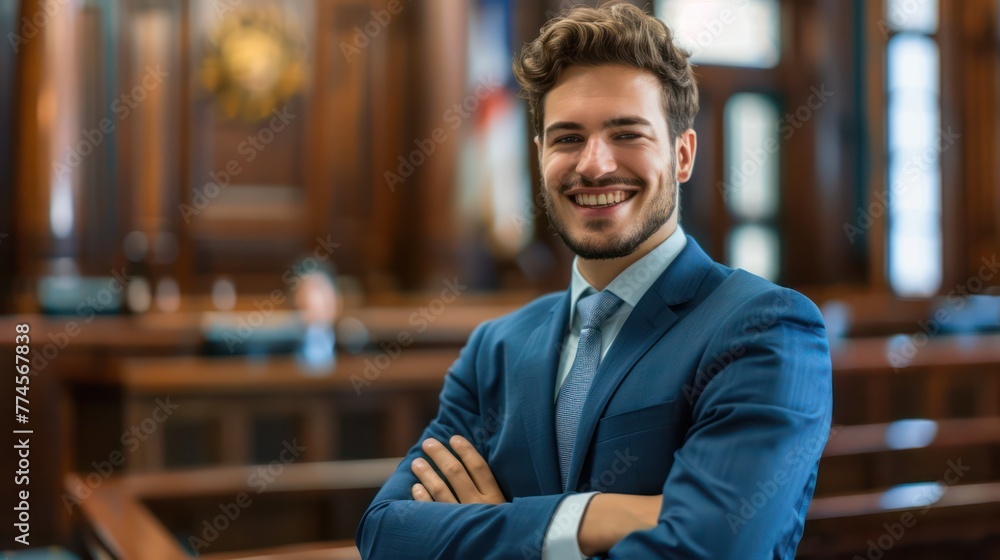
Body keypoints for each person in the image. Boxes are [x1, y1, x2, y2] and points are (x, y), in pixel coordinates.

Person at [356, 3, 832, 558]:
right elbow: (386, 533)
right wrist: (595, 515)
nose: (594, 165)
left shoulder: (764, 328)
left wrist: (505, 529)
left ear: (682, 155)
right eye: (567, 139)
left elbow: (711, 547)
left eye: (626, 133)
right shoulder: (495, 350)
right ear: (538, 157)